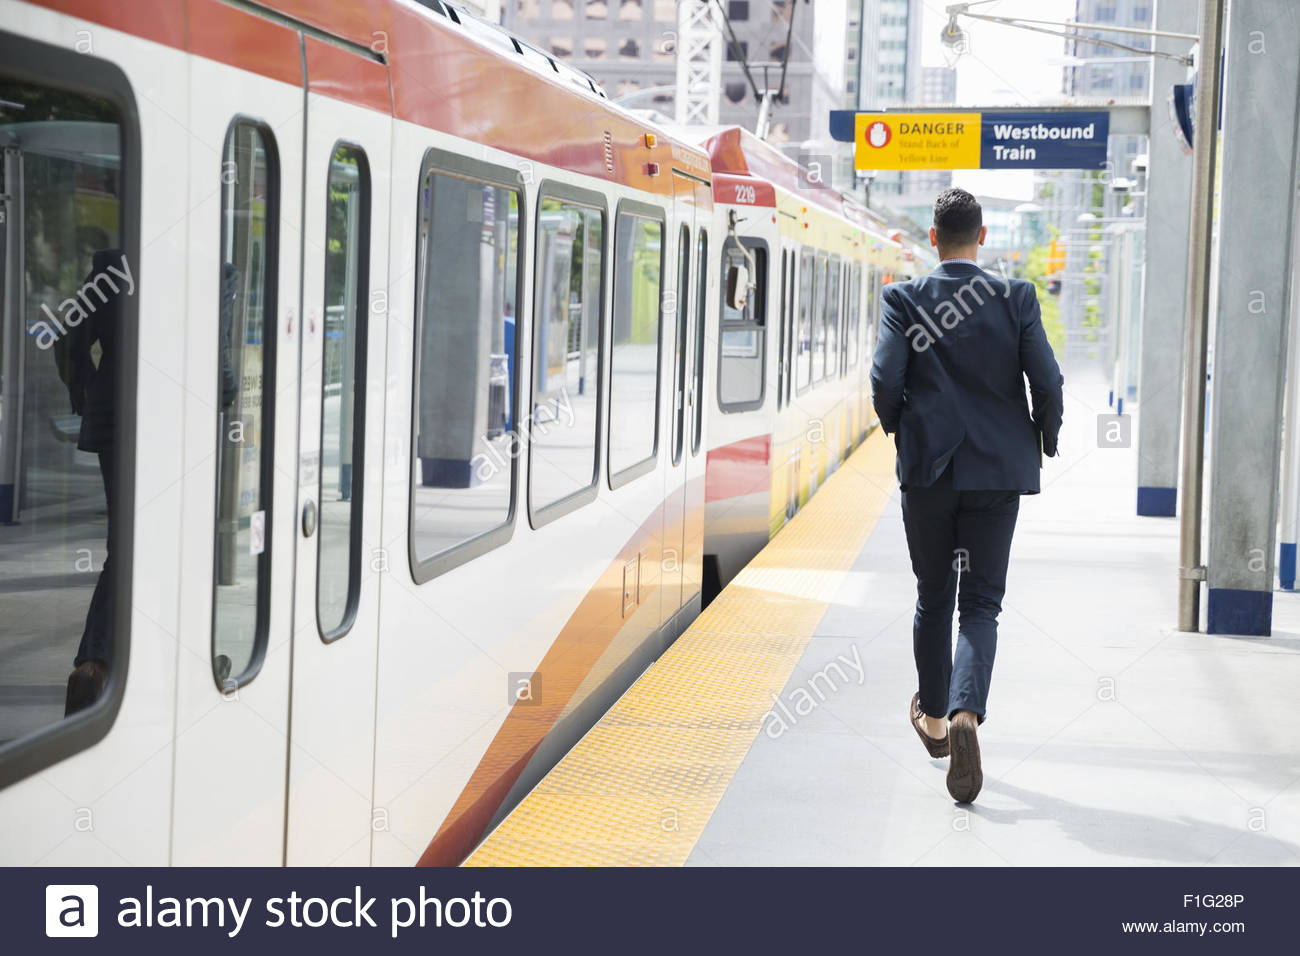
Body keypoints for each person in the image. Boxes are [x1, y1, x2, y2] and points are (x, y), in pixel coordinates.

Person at [869, 188, 1064, 804]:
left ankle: (931, 719)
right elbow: (1048, 380)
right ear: (981, 238)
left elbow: (884, 379)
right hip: (997, 475)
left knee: (933, 595)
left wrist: (904, 428)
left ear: (933, 238)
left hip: (929, 473)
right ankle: (965, 716)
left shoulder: (904, 298)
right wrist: (1044, 437)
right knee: (980, 605)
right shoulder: (1016, 297)